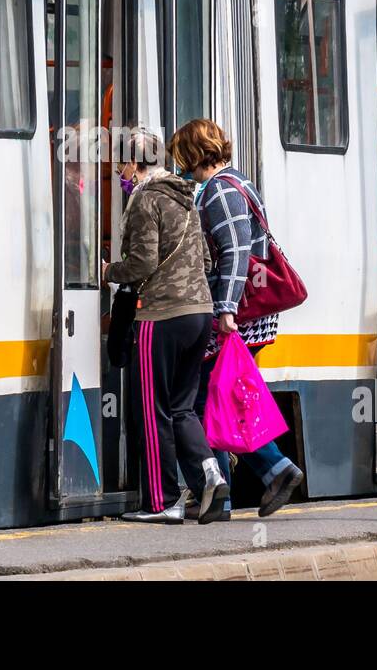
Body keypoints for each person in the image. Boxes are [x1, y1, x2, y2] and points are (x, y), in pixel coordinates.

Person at [169, 118, 305, 519]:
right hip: (245, 315)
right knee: (217, 398)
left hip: (236, 316)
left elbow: (235, 252)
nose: (182, 166)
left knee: (198, 402)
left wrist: (225, 309)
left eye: (184, 157)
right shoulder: (238, 182)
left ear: (194, 155)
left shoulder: (219, 190)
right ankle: (223, 494)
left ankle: (266, 472)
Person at [103, 126, 229, 524]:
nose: (120, 173)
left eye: (121, 164)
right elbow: (207, 263)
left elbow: (141, 264)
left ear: (132, 163)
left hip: (161, 317)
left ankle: (161, 502)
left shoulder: (145, 201)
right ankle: (210, 473)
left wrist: (108, 270)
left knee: (153, 411)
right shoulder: (185, 197)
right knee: (182, 409)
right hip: (199, 314)